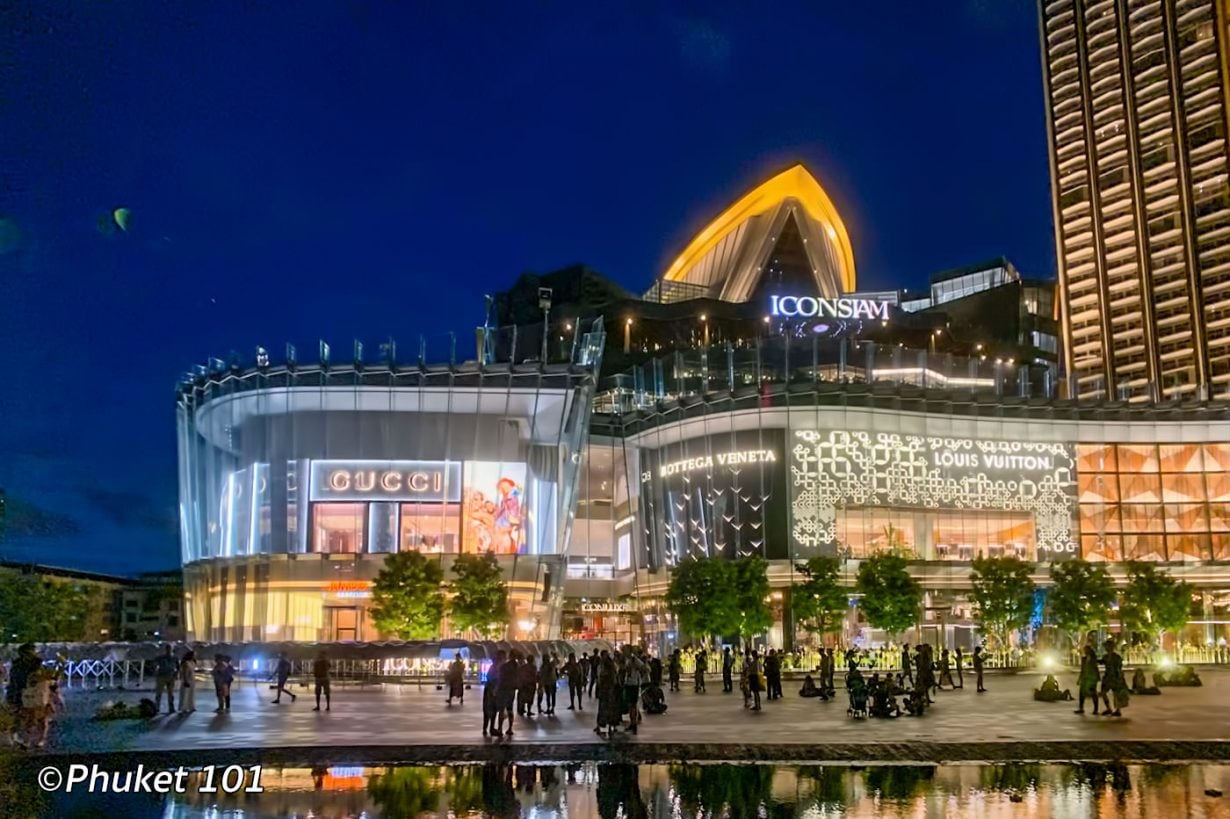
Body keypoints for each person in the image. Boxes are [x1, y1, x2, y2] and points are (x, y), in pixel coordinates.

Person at [595, 653, 621, 738]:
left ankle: (607, 725)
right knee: (606, 708)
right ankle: (607, 725)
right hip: (607, 690)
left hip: (608, 690)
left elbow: (611, 678)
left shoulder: (608, 667)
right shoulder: (606, 666)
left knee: (606, 708)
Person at [621, 647, 646, 734]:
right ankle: (632, 723)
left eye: (624, 650)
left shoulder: (634, 660)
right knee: (630, 706)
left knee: (633, 705)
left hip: (633, 684)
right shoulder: (627, 660)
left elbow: (643, 668)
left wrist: (638, 677)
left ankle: (634, 723)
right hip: (628, 684)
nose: (623, 652)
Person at [1100, 639, 1128, 717]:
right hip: (1109, 677)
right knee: (1103, 692)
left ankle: (1117, 709)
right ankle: (1109, 708)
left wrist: (1119, 677)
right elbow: (1102, 662)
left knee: (1116, 693)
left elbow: (1119, 667)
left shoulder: (1116, 657)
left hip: (1115, 677)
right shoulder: (1106, 656)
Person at [496, 651, 520, 737]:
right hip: (512, 689)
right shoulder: (517, 666)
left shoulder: (504, 666)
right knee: (510, 708)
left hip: (503, 689)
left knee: (502, 709)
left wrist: (497, 688)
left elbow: (500, 678)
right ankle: (510, 728)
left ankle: (500, 728)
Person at [483, 651, 505, 736]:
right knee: (490, 710)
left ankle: (488, 728)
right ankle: (488, 728)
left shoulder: (495, 668)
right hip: (491, 691)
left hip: (491, 690)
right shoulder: (495, 668)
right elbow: (491, 679)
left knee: (492, 710)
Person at [152, 645, 179, 714]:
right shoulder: (160, 657)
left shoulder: (175, 658)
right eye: (167, 649)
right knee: (159, 693)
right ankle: (157, 707)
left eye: (170, 649)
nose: (168, 650)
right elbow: (155, 663)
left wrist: (176, 674)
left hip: (171, 676)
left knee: (171, 693)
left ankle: (171, 707)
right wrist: (156, 670)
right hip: (161, 676)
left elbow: (178, 667)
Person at [1076, 644, 1101, 714]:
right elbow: (1082, 669)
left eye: (1086, 650)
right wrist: (1080, 678)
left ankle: (1096, 709)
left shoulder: (1093, 659)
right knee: (1081, 693)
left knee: (1093, 693)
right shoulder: (1084, 659)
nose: (1085, 651)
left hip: (1092, 678)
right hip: (1085, 678)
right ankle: (1081, 708)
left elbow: (1095, 668)